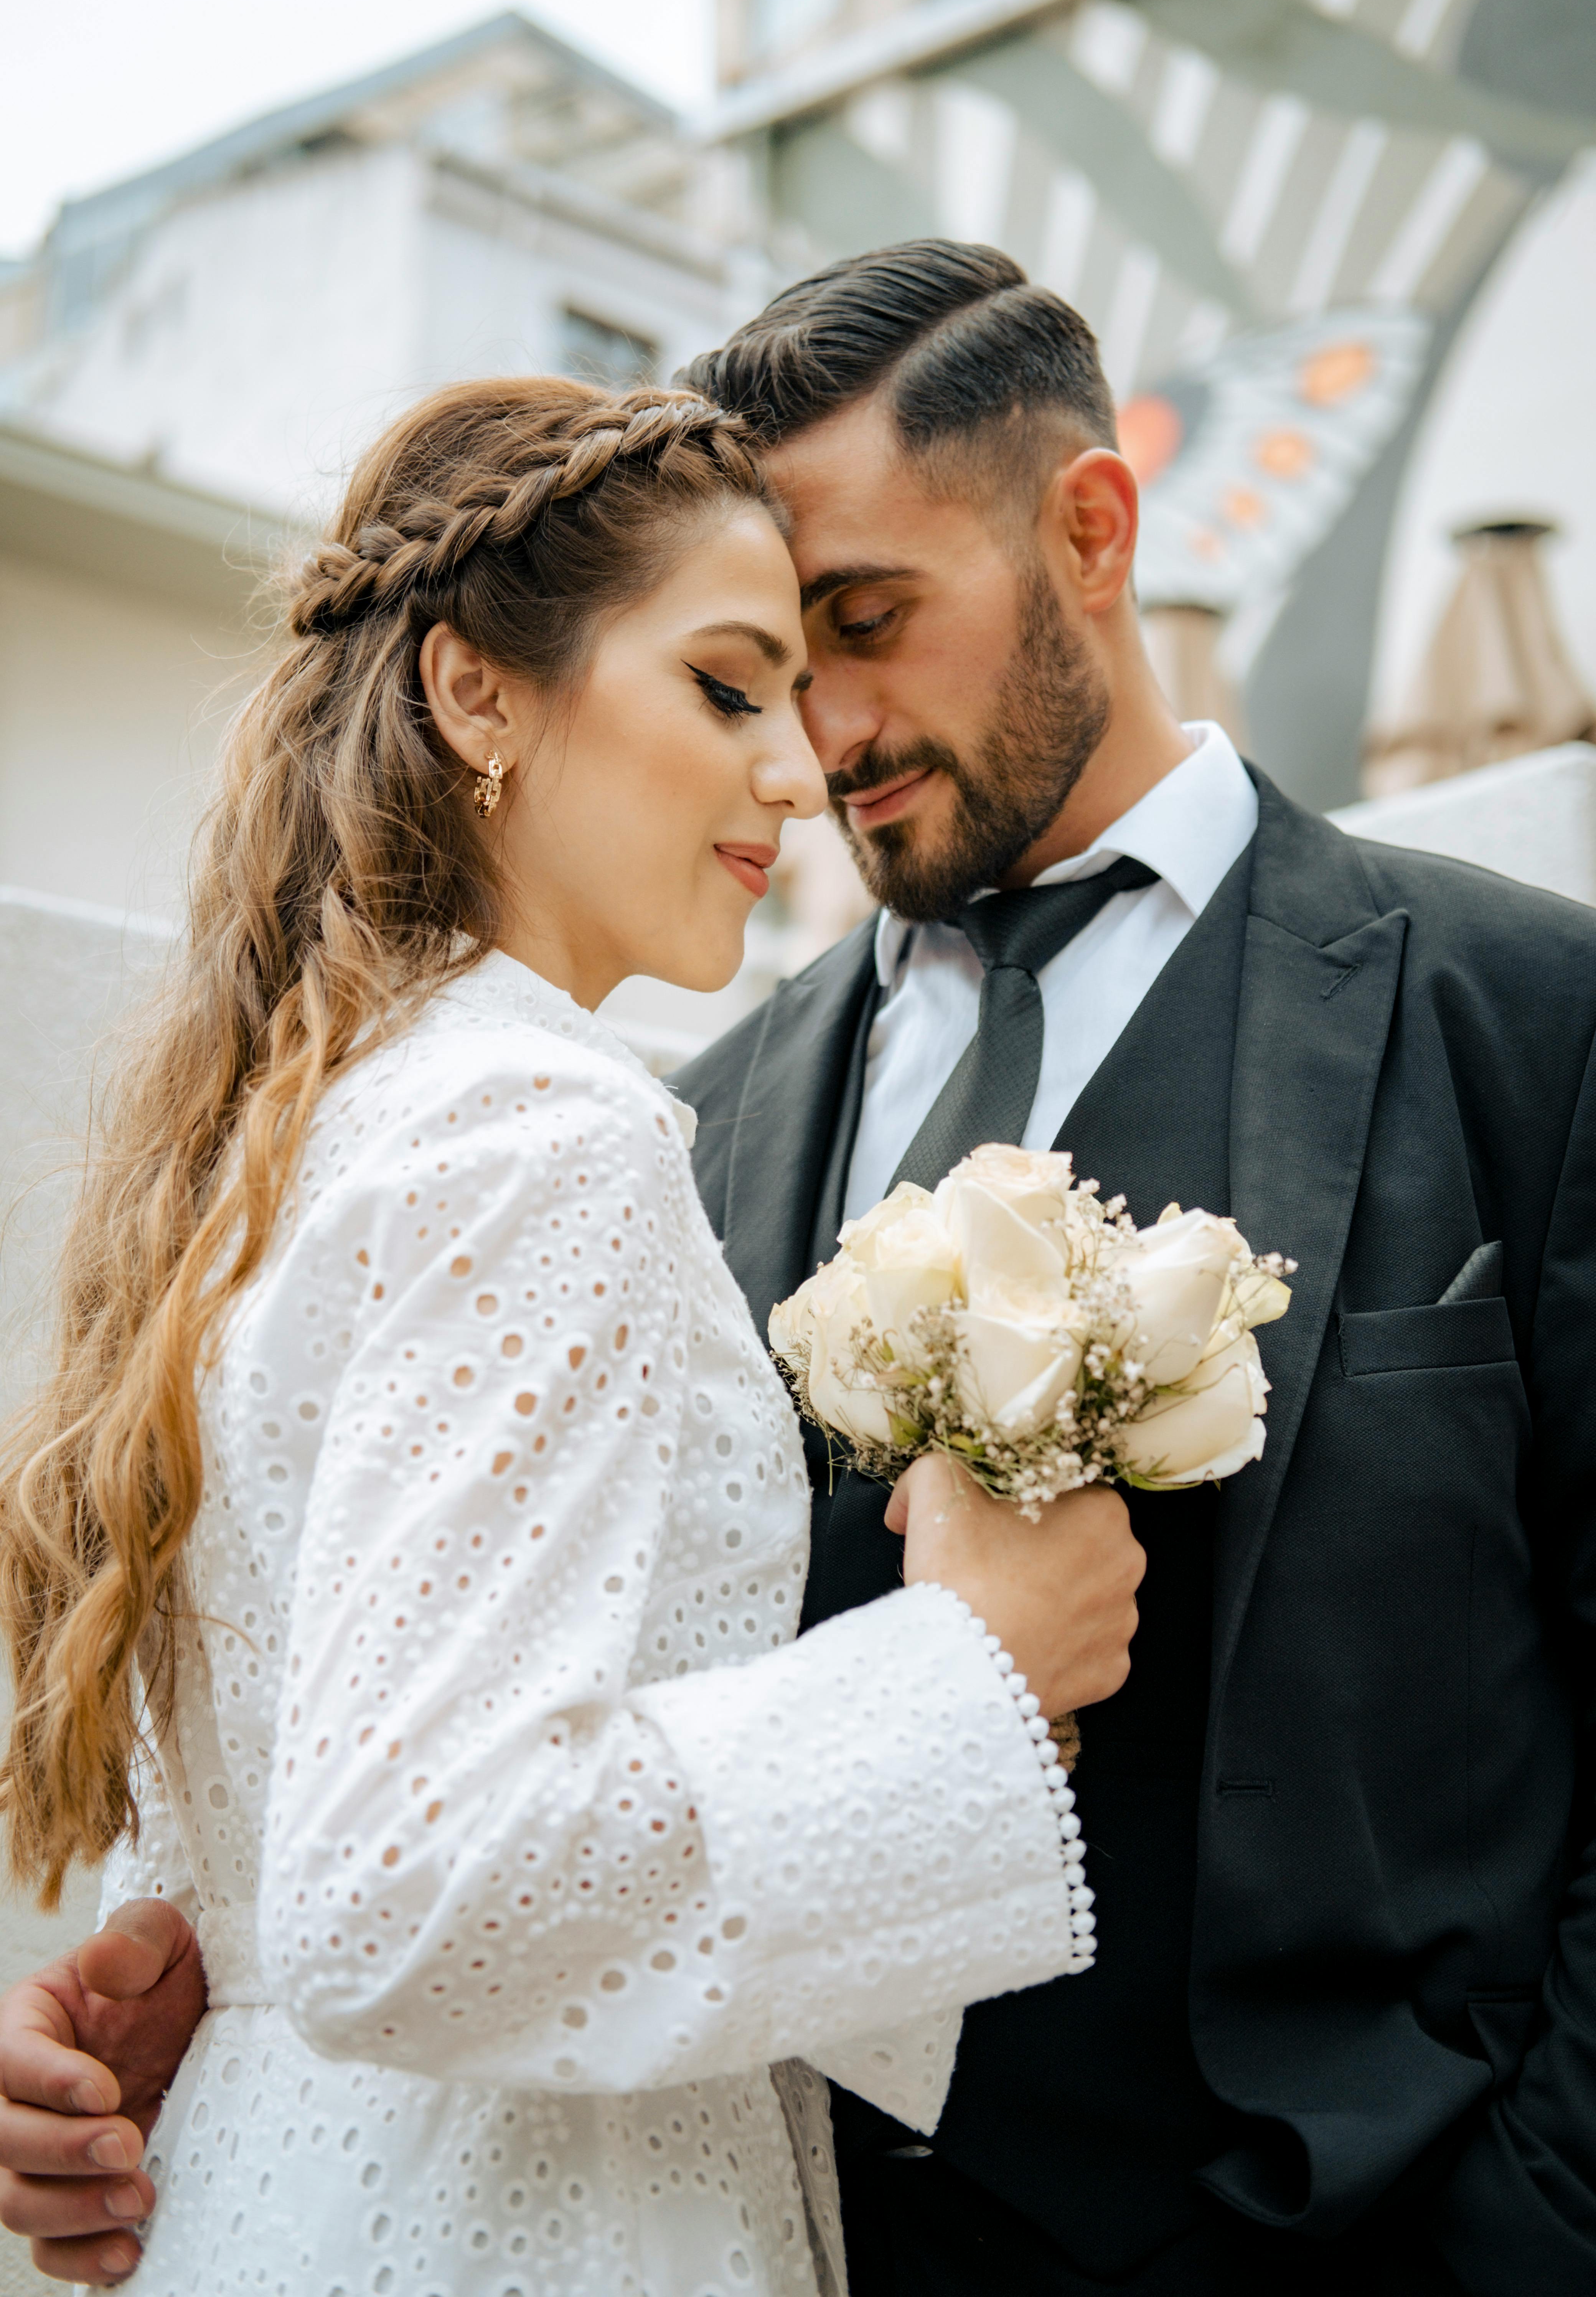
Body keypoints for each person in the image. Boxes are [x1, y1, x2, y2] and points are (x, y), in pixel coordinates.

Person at [4, 244, 1594, 2295]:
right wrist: (222, 1962)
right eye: (749, 668)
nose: (821, 741)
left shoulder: (1524, 1013)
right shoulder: (683, 1098)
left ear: (1092, 532)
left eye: (861, 626)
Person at [0, 374, 1147, 2292]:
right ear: (475, 693)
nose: (794, 768)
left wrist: (176, 1964)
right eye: (723, 685)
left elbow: (336, 1791)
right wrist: (971, 1671)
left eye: (796, 691)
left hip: (279, 2180)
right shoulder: (549, 1131)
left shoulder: (311, 1123)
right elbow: (418, 1892)